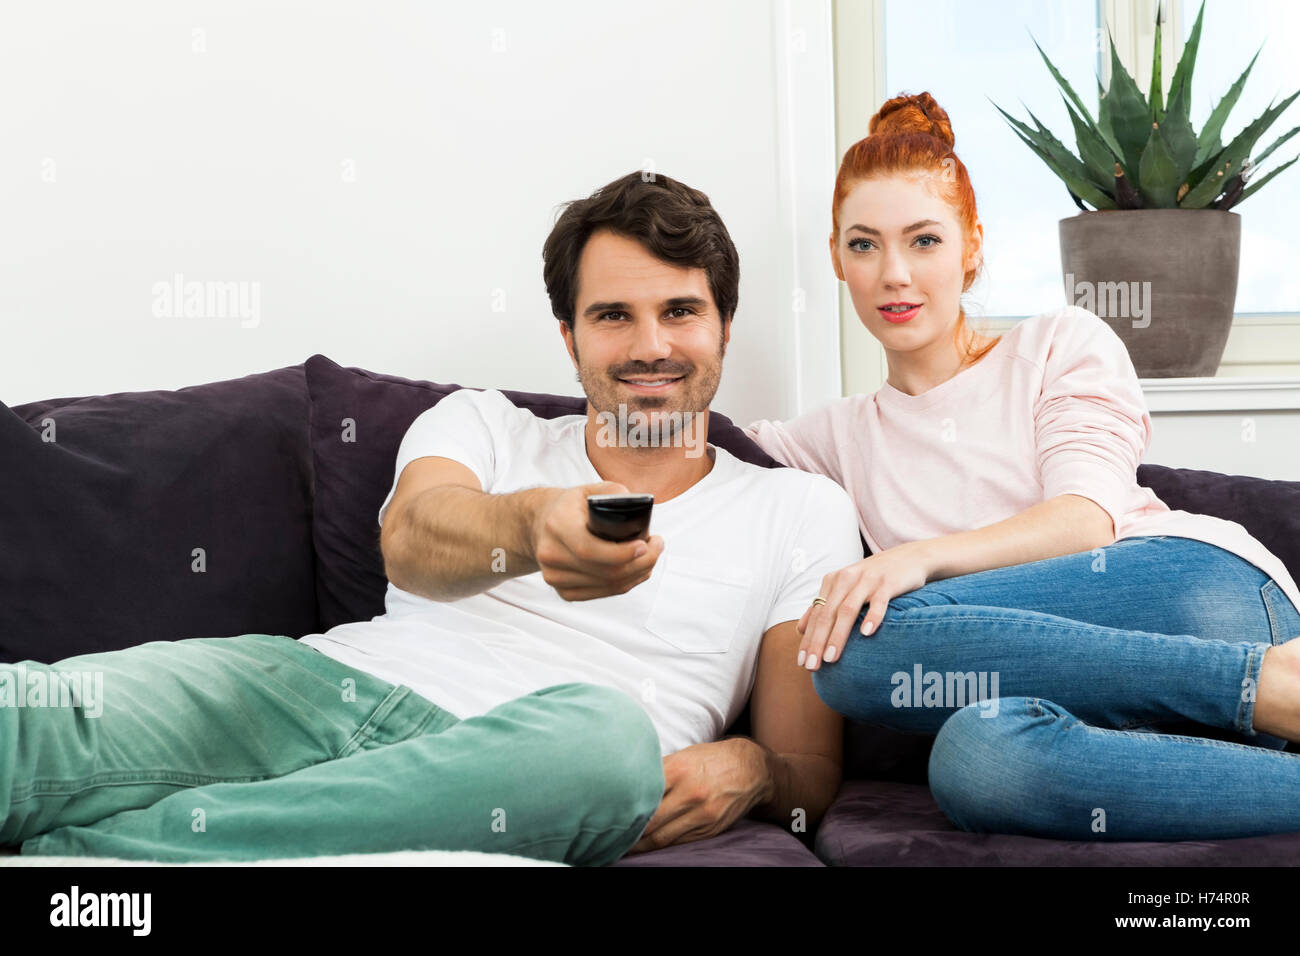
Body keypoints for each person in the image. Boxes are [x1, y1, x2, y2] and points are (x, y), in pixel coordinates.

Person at [1, 172, 863, 864]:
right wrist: (531, 527)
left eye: (680, 311)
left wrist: (753, 767)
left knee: (611, 745)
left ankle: (87, 866)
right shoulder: (482, 423)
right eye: (613, 315)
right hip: (319, 687)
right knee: (37, 713)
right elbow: (412, 541)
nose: (649, 346)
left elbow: (809, 769)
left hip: (532, 761)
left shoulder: (798, 509)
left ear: (724, 327)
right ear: (569, 338)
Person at [742, 91, 1300, 841]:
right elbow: (706, 447)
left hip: (1202, 598)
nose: (894, 273)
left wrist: (917, 560)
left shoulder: (1058, 342)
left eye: (924, 240)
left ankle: (1259, 683)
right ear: (837, 260)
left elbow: (1085, 522)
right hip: (1107, 701)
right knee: (977, 759)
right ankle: (1253, 710)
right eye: (864, 245)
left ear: (972, 247)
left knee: (857, 650)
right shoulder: (834, 437)